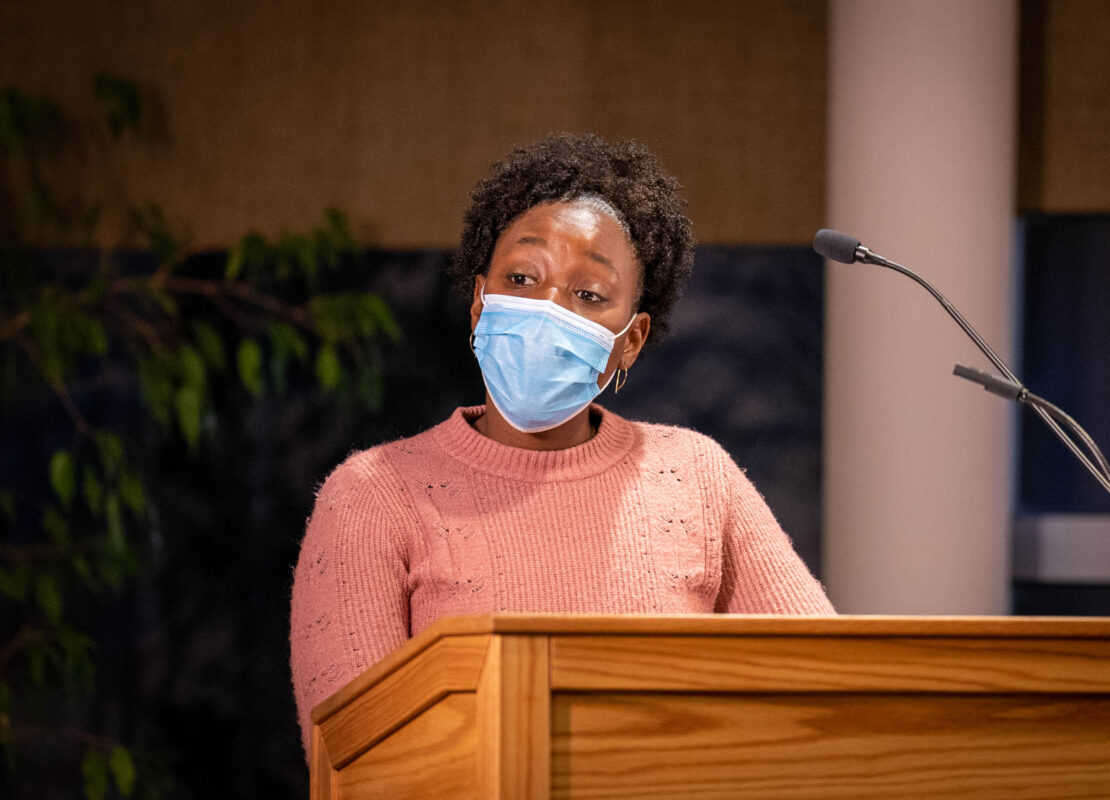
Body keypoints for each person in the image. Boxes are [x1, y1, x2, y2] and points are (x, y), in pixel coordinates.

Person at [289, 132, 834, 760]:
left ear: (631, 340)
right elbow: (360, 760)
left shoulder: (697, 477)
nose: (546, 308)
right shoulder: (373, 496)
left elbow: (824, 691)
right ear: (477, 303)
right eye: (521, 277)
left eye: (589, 295)